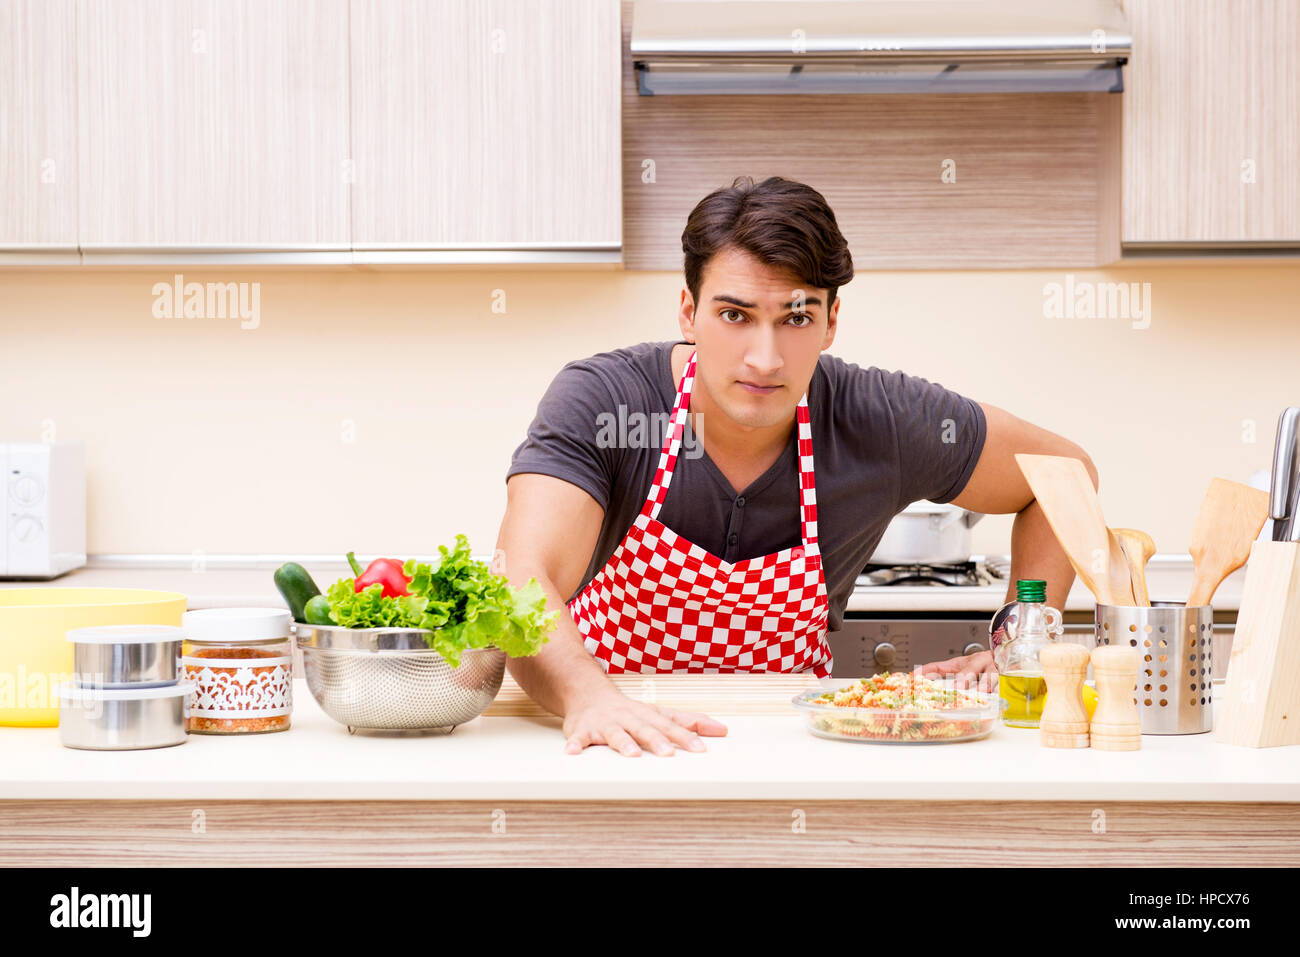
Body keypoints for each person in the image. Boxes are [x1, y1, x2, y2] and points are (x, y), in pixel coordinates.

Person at [495, 175, 1095, 757]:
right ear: (688, 312)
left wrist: (1020, 644)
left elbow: (1062, 474)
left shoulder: (877, 418)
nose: (765, 358)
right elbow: (521, 577)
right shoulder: (605, 401)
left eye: (797, 318)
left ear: (832, 322)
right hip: (609, 740)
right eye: (734, 315)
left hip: (795, 753)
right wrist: (589, 699)